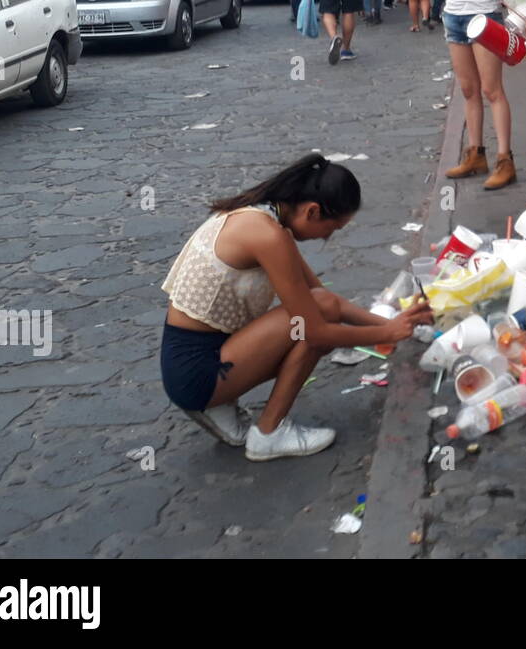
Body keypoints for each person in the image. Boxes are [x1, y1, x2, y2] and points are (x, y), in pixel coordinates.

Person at [160, 154, 434, 460]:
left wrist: (393, 325)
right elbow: (315, 331)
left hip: (194, 359)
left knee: (320, 308)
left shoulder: (260, 214)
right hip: (198, 372)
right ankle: (268, 433)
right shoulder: (268, 236)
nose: (327, 237)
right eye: (332, 229)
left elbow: (321, 296)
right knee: (316, 329)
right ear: (313, 211)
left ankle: (219, 403)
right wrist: (388, 332)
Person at [438, 0, 517, 190]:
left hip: (485, 17)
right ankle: (475, 154)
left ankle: (505, 159)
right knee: (468, 90)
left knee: (491, 90)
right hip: (454, 14)